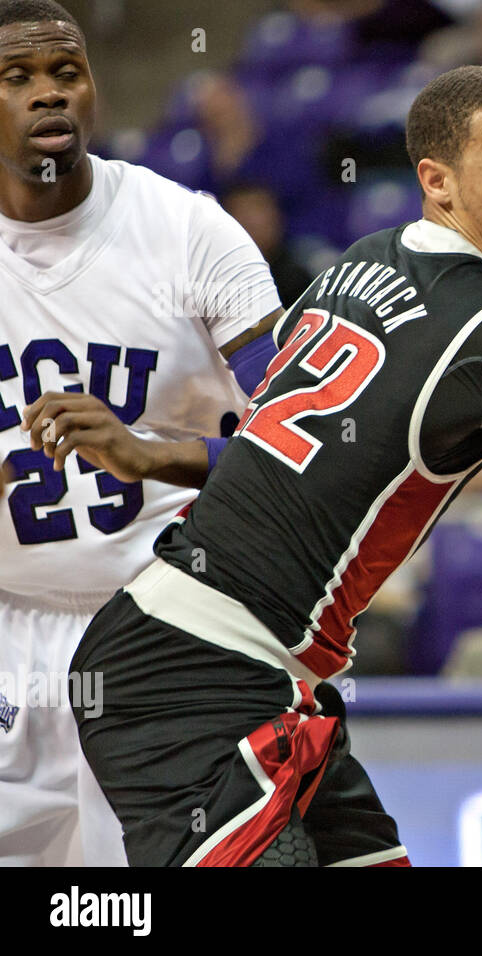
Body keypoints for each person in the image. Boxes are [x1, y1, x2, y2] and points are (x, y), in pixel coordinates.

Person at [65, 64, 482, 867]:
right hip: (193, 680)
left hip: (214, 660)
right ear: (438, 181)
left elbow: (436, 377)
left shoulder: (366, 258)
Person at [0, 0, 284, 866]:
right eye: (18, 78)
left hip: (161, 626)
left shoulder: (188, 229)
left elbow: (312, 441)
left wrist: (152, 452)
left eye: (67, 73)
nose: (50, 94)